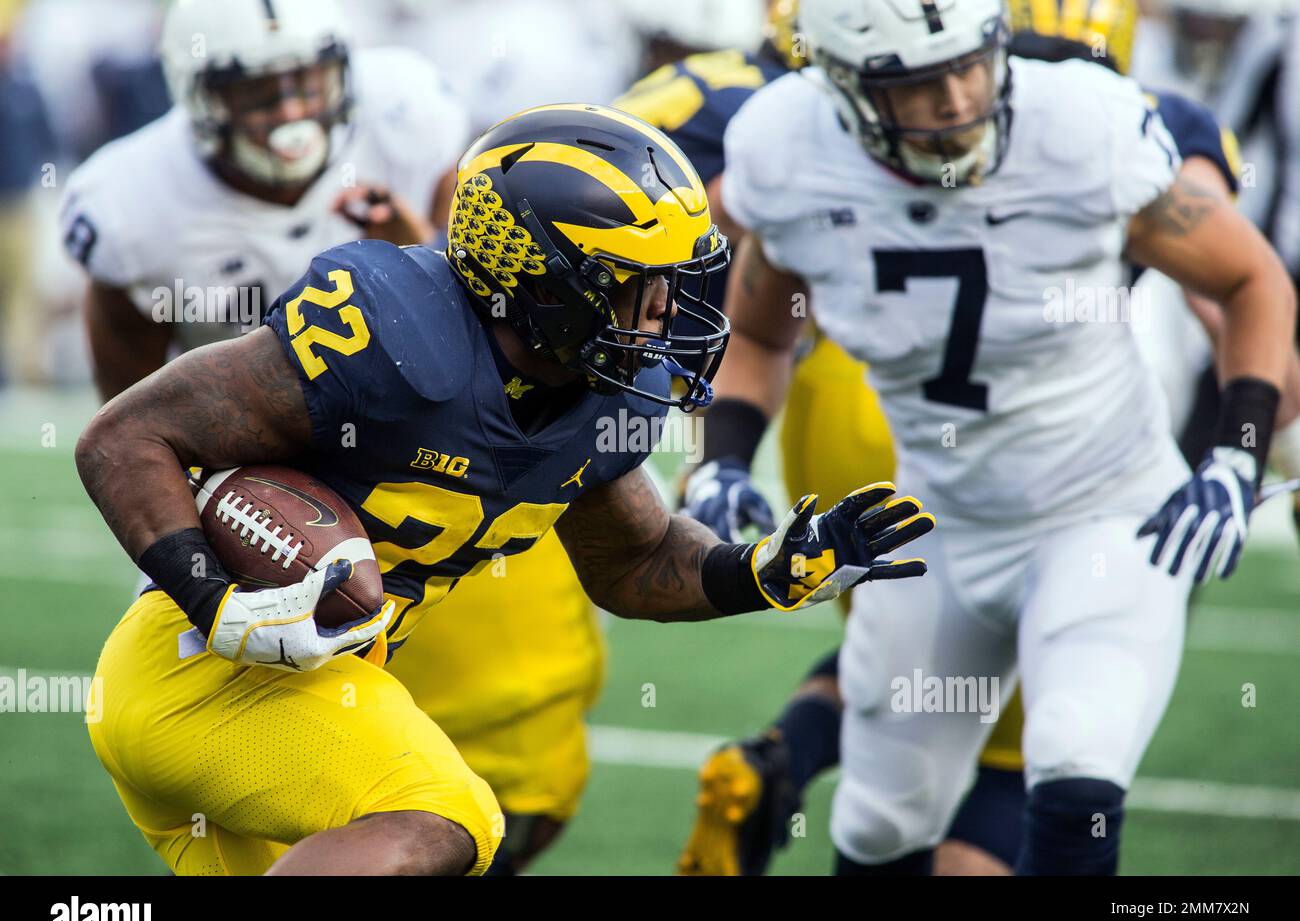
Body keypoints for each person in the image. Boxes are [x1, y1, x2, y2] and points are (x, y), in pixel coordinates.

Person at [74, 102, 936, 875]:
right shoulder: (390, 337)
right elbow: (125, 435)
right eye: (643, 287)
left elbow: (636, 560)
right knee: (449, 817)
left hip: (294, 695)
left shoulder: (584, 395)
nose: (670, 313)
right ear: (551, 283)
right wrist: (214, 598)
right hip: (205, 674)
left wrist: (763, 573)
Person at [701, 0, 1294, 875]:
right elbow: (756, 333)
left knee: (1074, 769)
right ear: (844, 90)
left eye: (969, 65)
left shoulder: (1081, 124)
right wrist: (720, 460)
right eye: (918, 82)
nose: (955, 99)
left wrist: (1235, 453)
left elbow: (1251, 278)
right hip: (933, 523)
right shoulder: (790, 153)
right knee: (877, 827)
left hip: (1105, 510)